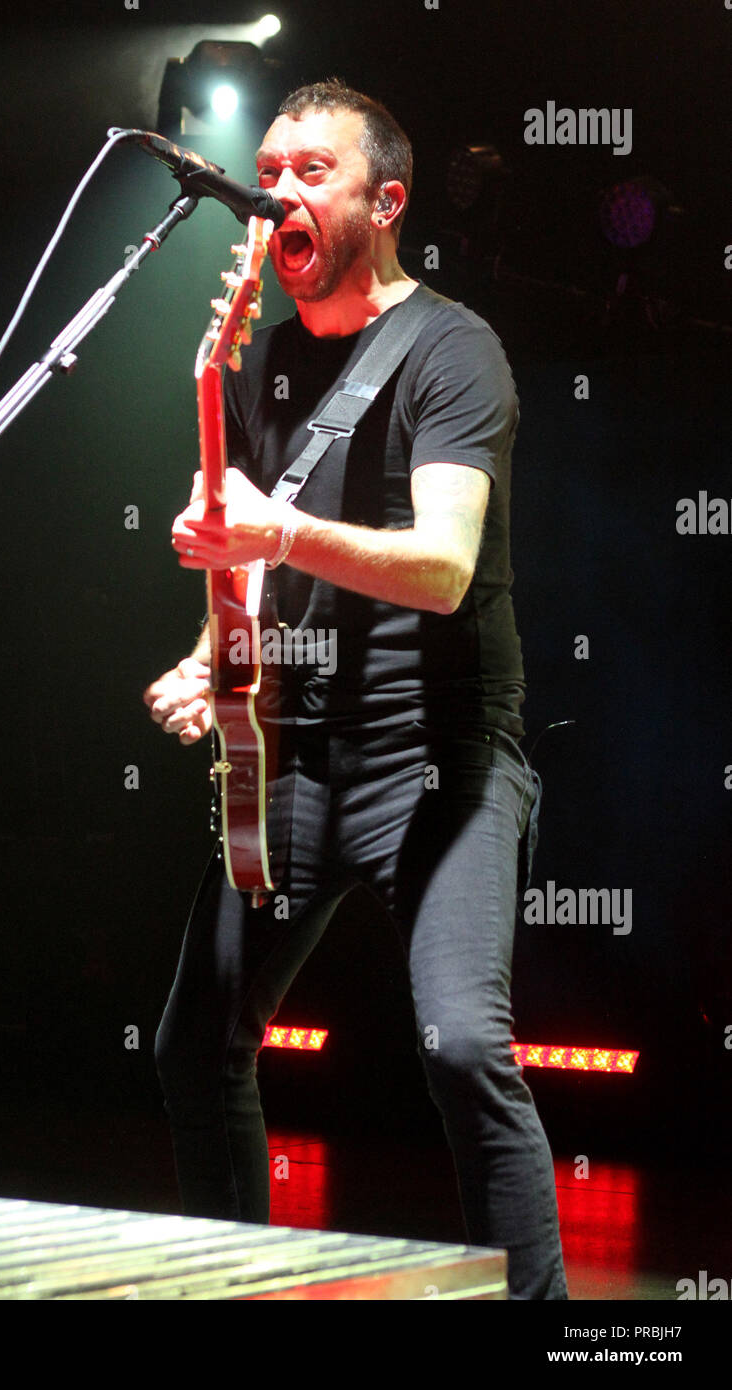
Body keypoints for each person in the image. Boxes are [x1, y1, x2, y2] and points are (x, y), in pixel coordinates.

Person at [144, 79, 568, 1300]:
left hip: (444, 759)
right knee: (194, 1041)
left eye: (311, 171)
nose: (279, 187)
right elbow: (255, 578)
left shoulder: (453, 348)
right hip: (302, 759)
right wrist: (205, 655)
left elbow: (439, 569)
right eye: (269, 167)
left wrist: (272, 531)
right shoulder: (259, 366)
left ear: (386, 203)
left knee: (463, 1043)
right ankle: (242, 1287)